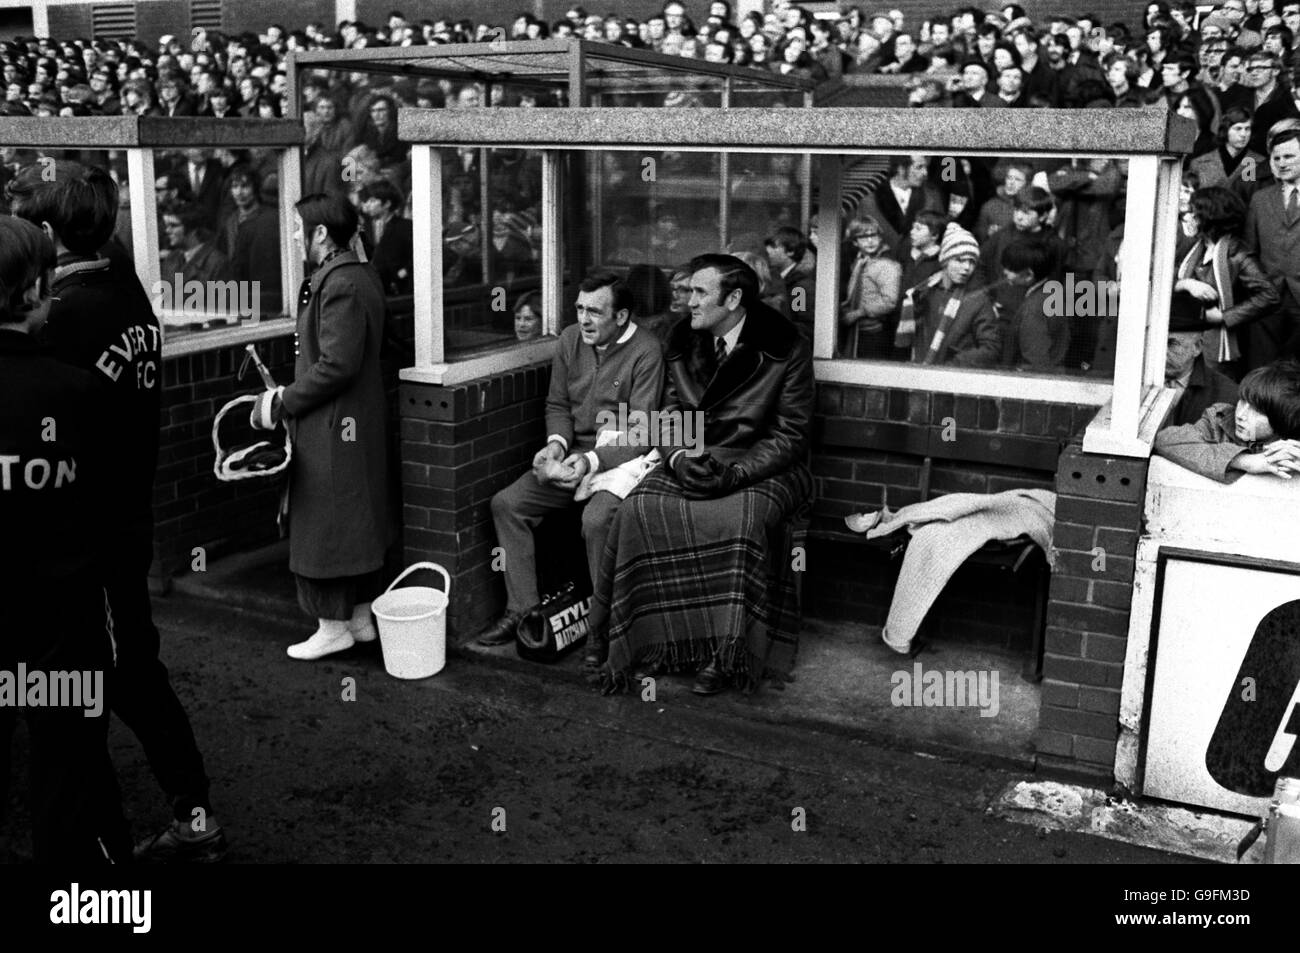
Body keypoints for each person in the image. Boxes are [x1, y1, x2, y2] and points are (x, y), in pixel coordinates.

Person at [9, 160, 224, 862]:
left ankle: (123, 846)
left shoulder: (65, 319)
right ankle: (187, 810)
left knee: (97, 689)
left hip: (87, 542)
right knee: (127, 671)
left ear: (46, 237)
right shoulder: (122, 283)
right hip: (124, 520)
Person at [596, 254, 814, 695]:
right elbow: (670, 413)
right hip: (693, 454)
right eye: (686, 291)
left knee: (738, 521)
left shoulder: (784, 342)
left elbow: (790, 435)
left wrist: (735, 475)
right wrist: (677, 458)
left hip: (764, 463)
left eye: (699, 292)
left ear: (733, 299)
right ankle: (653, 644)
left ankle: (724, 653)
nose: (688, 302)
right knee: (639, 509)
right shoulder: (680, 338)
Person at [0, 216, 129, 863]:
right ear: (31, 292)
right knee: (65, 785)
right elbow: (112, 515)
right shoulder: (78, 392)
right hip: (62, 633)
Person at [477, 270, 665, 655]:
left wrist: (590, 461)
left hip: (620, 461)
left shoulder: (647, 350)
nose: (583, 319)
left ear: (622, 316)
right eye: (579, 308)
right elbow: (558, 404)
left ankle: (606, 627)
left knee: (597, 521)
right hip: (574, 457)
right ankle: (524, 612)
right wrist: (556, 448)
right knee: (507, 504)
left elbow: (641, 431)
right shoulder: (568, 340)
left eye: (595, 312)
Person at [250, 194, 394, 661]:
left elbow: (336, 365)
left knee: (326, 525)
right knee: (357, 521)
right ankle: (359, 618)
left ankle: (333, 627)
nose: (294, 237)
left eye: (299, 229)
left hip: (334, 427)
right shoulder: (353, 276)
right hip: (351, 422)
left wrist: (281, 401)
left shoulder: (341, 283)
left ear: (320, 234)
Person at [1174, 185, 1279, 380]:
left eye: (1193, 213)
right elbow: (1168, 277)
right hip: (1187, 342)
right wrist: (1186, 284)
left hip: (1220, 350)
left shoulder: (1236, 252)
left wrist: (1223, 317)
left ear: (1210, 217)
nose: (1186, 217)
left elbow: (1269, 296)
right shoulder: (1194, 247)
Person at [1154, 359, 1300, 481]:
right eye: (1242, 401)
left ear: (1283, 419)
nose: (1241, 414)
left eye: (1256, 411)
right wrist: (1244, 461)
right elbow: (1166, 439)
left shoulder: (1293, 446)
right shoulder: (1220, 419)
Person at [896, 223, 1000, 366]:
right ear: (945, 261)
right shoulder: (925, 291)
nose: (966, 268)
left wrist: (953, 364)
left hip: (954, 378)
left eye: (972, 262)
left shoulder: (979, 299)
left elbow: (991, 349)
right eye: (960, 260)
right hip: (921, 373)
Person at [1244, 124, 1300, 368]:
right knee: (1262, 369)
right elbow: (1249, 251)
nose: (1281, 163)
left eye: (1289, 156)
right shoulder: (1260, 198)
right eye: (1276, 158)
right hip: (1268, 299)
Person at [218, 164, 283, 317]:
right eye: (235, 187)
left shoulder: (270, 217)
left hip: (263, 292)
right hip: (237, 293)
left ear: (255, 188)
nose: (239, 192)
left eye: (245, 186)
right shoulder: (229, 221)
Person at [840, 215, 901, 358]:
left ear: (880, 237)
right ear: (855, 242)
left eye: (873, 235)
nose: (869, 241)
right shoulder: (860, 261)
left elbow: (889, 301)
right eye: (863, 237)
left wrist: (859, 313)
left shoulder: (886, 264)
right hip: (857, 331)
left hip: (874, 331)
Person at [359, 178, 413, 296]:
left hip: (400, 292)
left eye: (373, 201)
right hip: (372, 292)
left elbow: (415, 258)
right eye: (367, 201)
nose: (368, 205)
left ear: (387, 204)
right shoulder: (363, 228)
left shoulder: (406, 227)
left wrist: (403, 273)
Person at [764, 225, 816, 340]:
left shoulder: (799, 288)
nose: (768, 250)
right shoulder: (782, 280)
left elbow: (804, 325)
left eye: (774, 246)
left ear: (791, 251)